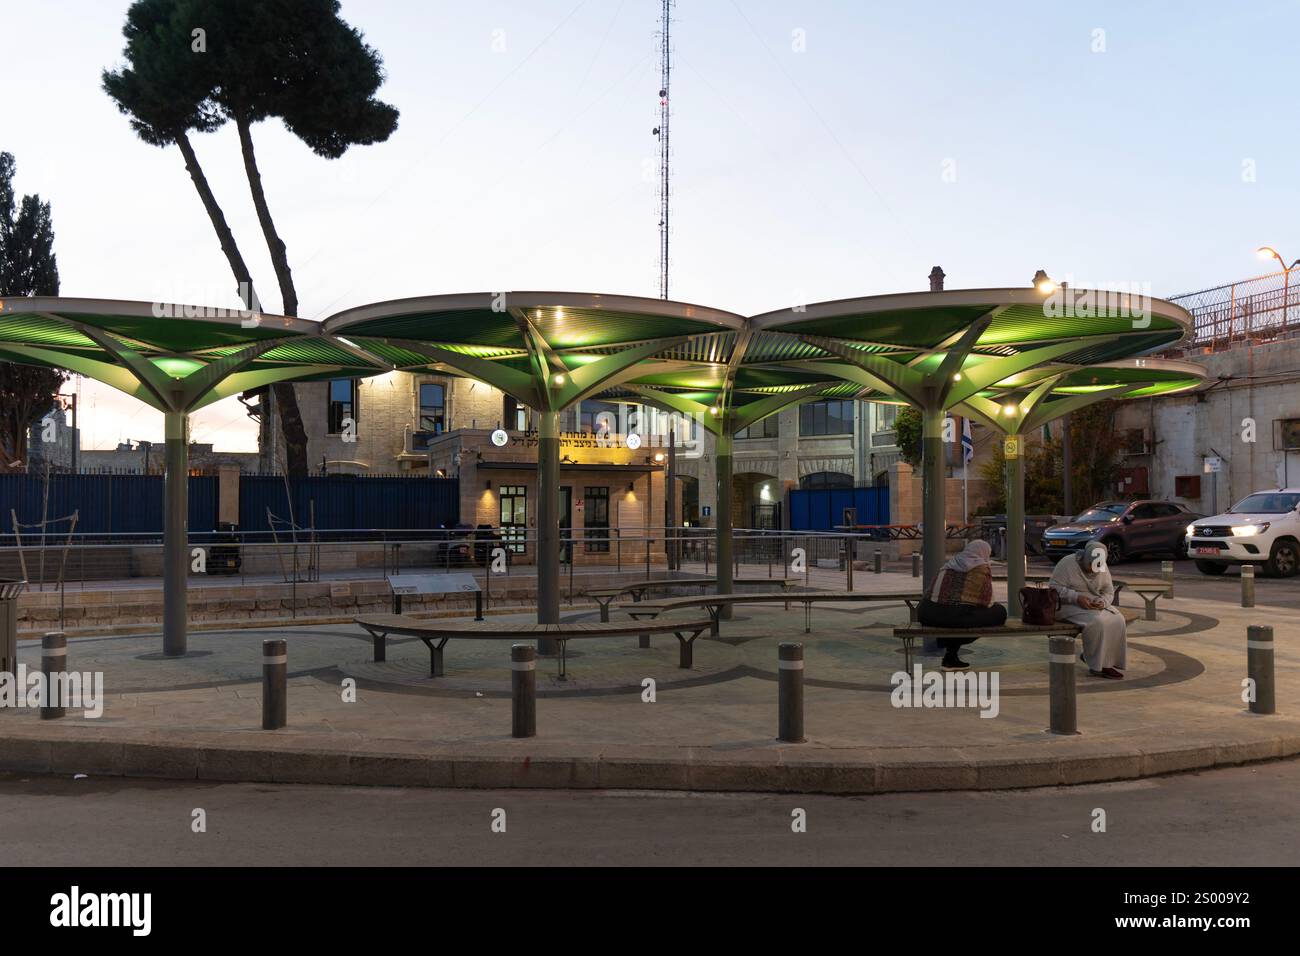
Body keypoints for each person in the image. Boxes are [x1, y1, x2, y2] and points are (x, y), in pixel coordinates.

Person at [917, 539, 1006, 670]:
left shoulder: (950, 563)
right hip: (954, 616)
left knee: (962, 613)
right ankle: (949, 652)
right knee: (1000, 612)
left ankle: (950, 657)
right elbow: (987, 602)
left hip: (926, 613)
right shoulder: (981, 568)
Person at [1050, 540, 1126, 679]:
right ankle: (1097, 665)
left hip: (1093, 604)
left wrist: (1102, 602)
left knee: (1118, 619)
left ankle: (1107, 662)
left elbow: (1108, 591)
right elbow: (1054, 588)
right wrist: (1076, 597)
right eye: (1090, 564)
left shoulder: (1102, 566)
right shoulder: (1068, 563)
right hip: (1067, 605)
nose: (1092, 569)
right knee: (1097, 622)